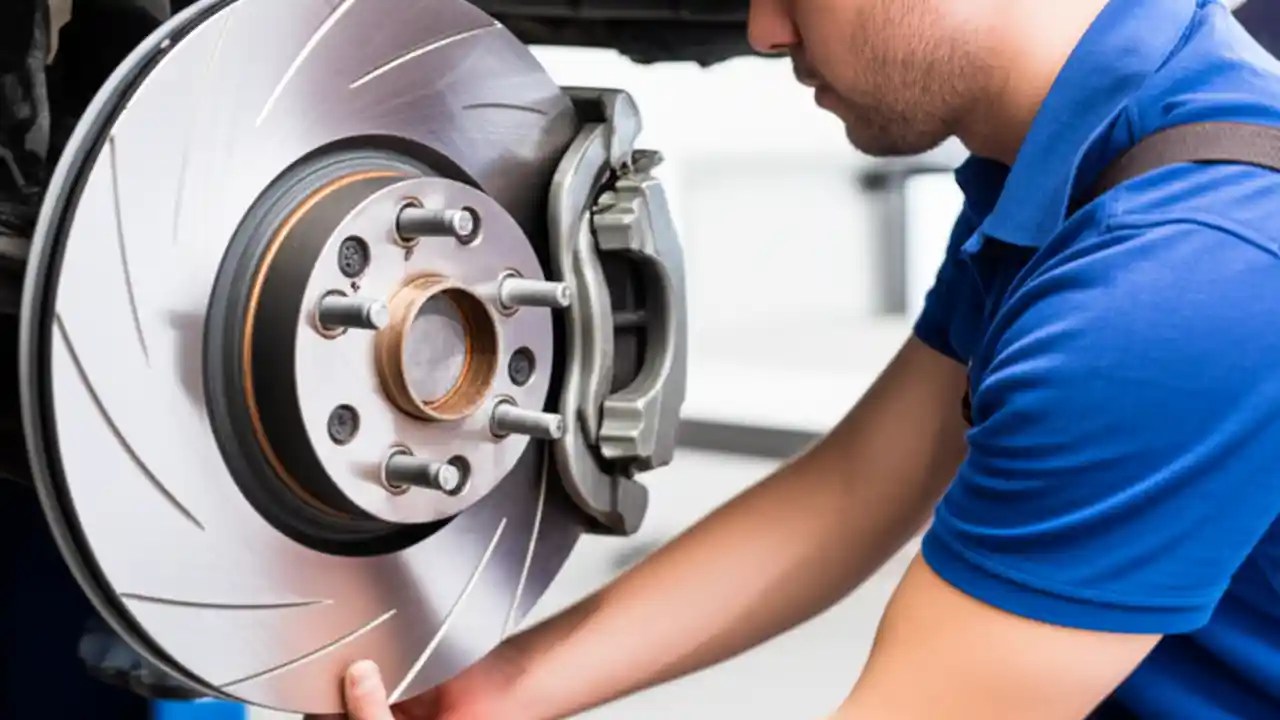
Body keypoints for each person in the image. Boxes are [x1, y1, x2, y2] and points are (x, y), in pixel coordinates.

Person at [313, 0, 1280, 717]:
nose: (764, 29)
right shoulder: (1101, 135)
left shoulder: (1176, 282)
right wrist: (498, 689)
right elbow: (865, 482)